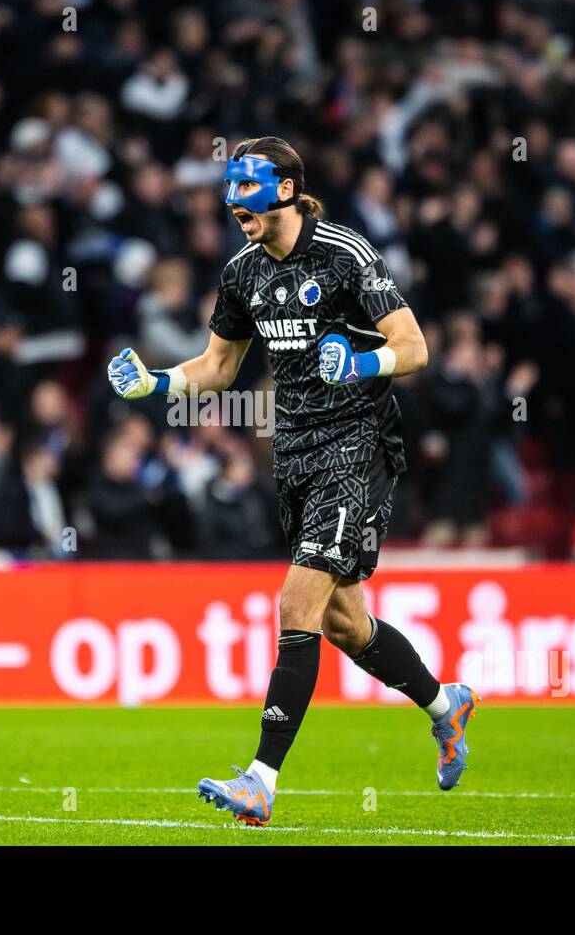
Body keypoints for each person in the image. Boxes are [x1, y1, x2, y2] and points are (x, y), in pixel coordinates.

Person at [107, 136, 478, 826]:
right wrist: (157, 382)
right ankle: (443, 704)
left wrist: (360, 366)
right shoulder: (242, 272)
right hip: (295, 452)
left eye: (246, 193)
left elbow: (415, 348)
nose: (234, 208)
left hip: (357, 444)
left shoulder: (346, 254)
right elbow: (219, 368)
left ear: (284, 189)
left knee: (295, 604)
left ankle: (261, 780)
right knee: (344, 623)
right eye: (230, 197)